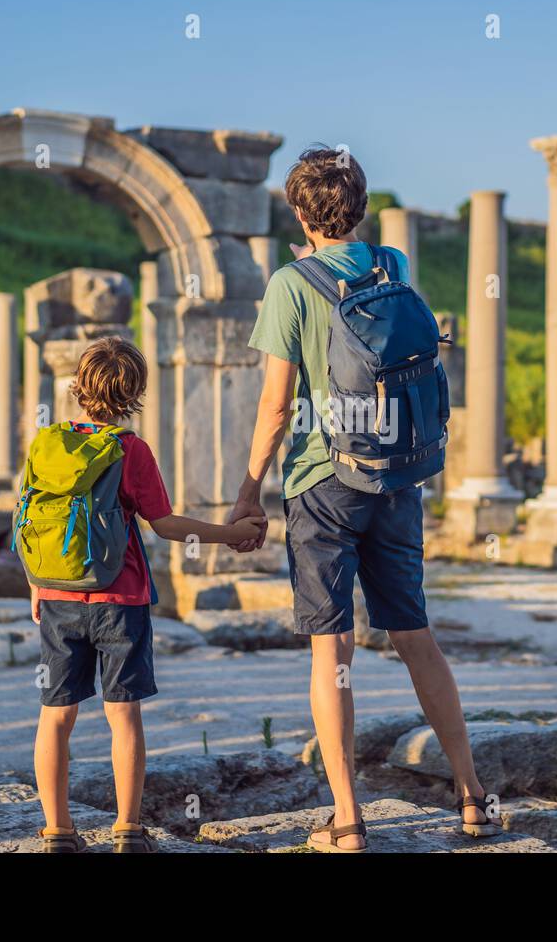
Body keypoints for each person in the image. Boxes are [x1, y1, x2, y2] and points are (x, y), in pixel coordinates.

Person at [228, 147, 497, 852]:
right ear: (363, 207)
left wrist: (247, 490)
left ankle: (348, 821)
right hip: (397, 476)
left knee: (332, 646)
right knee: (415, 636)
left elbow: (277, 404)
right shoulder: (394, 267)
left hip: (323, 480)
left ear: (299, 213)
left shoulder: (291, 282)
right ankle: (473, 797)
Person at [29, 337, 265, 853]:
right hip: (121, 600)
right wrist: (231, 534)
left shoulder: (47, 442)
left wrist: (36, 587)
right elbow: (165, 525)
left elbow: (30, 516)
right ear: (135, 393)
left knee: (56, 714)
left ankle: (56, 832)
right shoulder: (130, 450)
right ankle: (128, 830)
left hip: (57, 596)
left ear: (78, 388)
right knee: (123, 714)